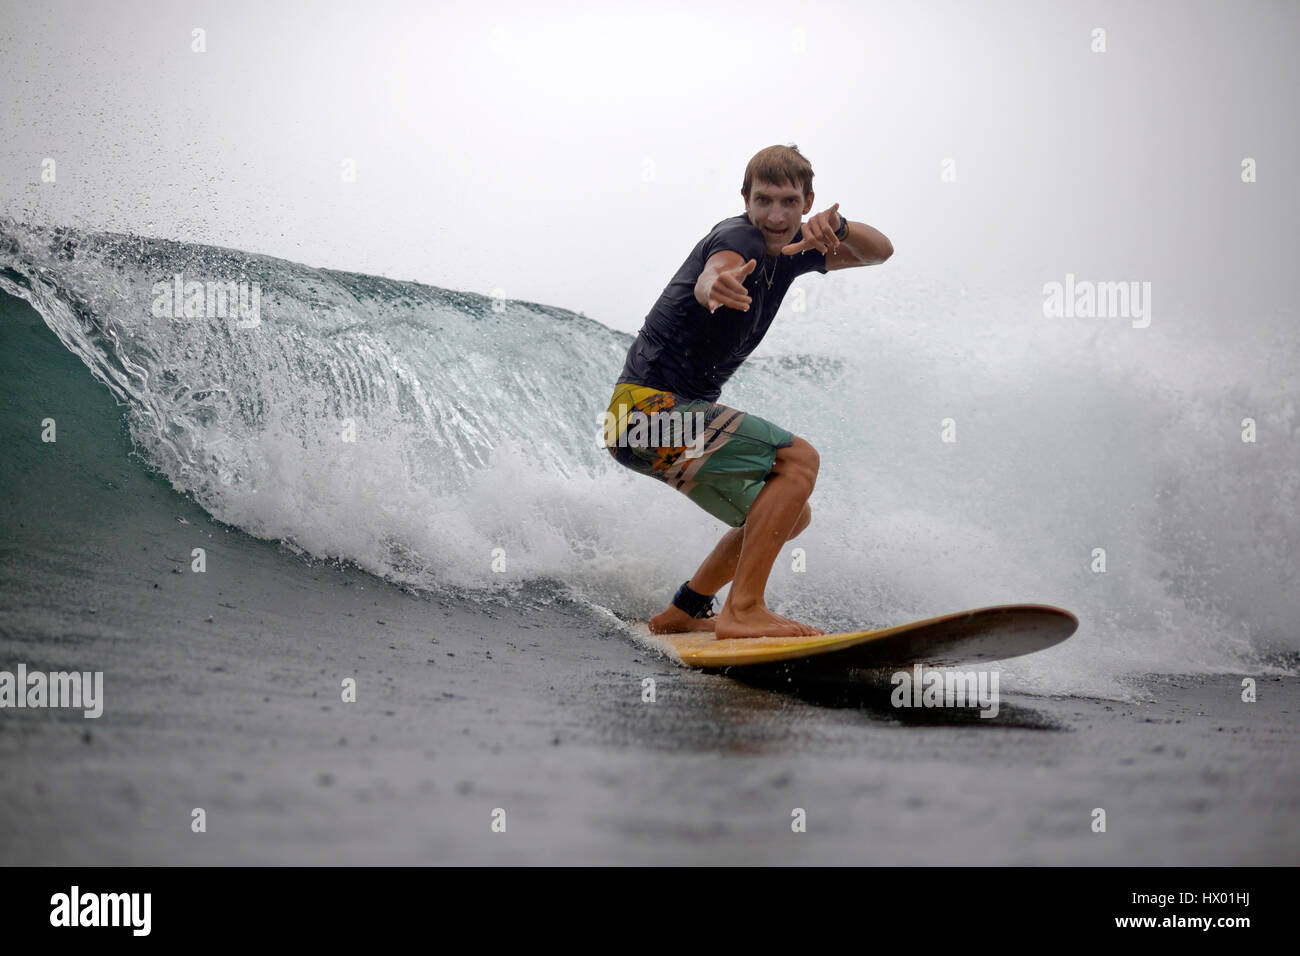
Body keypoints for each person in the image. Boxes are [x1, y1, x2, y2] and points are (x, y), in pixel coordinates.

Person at [603, 144, 893, 638]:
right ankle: (743, 610)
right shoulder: (741, 238)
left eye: (787, 202)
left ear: (808, 202)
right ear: (745, 198)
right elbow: (718, 267)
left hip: (637, 425)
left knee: (787, 513)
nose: (774, 215)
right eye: (763, 200)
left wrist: (839, 230)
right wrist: (712, 284)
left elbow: (880, 251)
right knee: (799, 461)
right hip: (646, 415)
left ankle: (687, 608)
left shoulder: (794, 251)